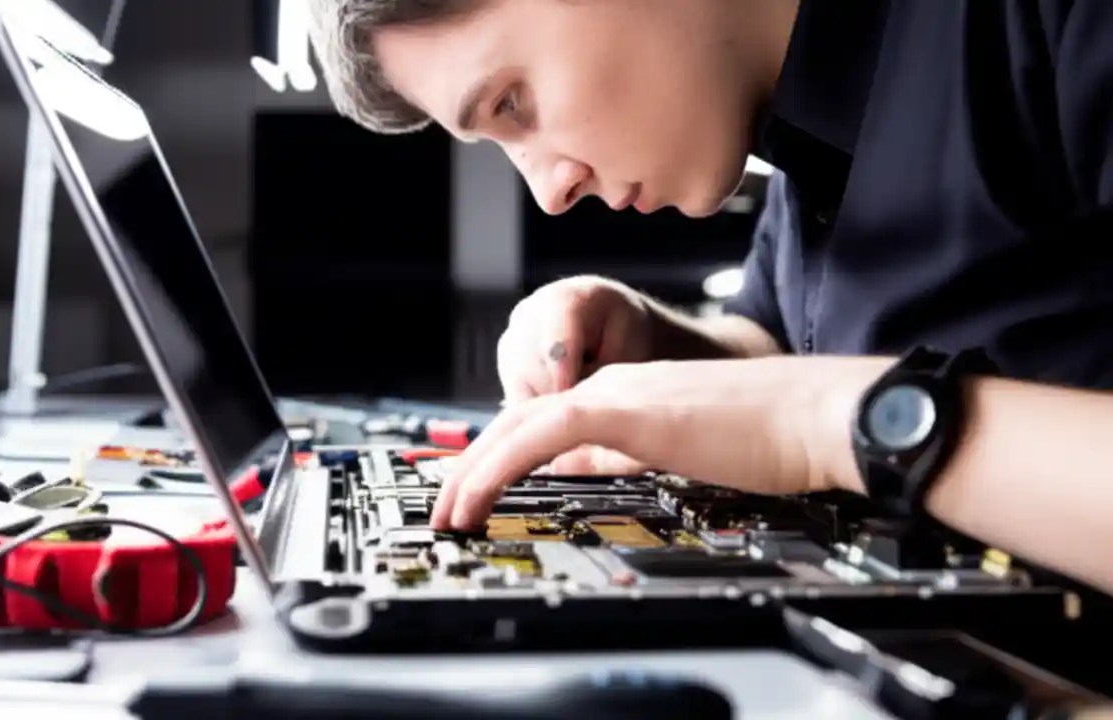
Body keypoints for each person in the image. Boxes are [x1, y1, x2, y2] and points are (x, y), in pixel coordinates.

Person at [306, 0, 1113, 595]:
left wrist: (828, 420)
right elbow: (787, 344)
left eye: (513, 103)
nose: (550, 192)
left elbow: (814, 401)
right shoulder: (790, 111)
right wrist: (656, 349)